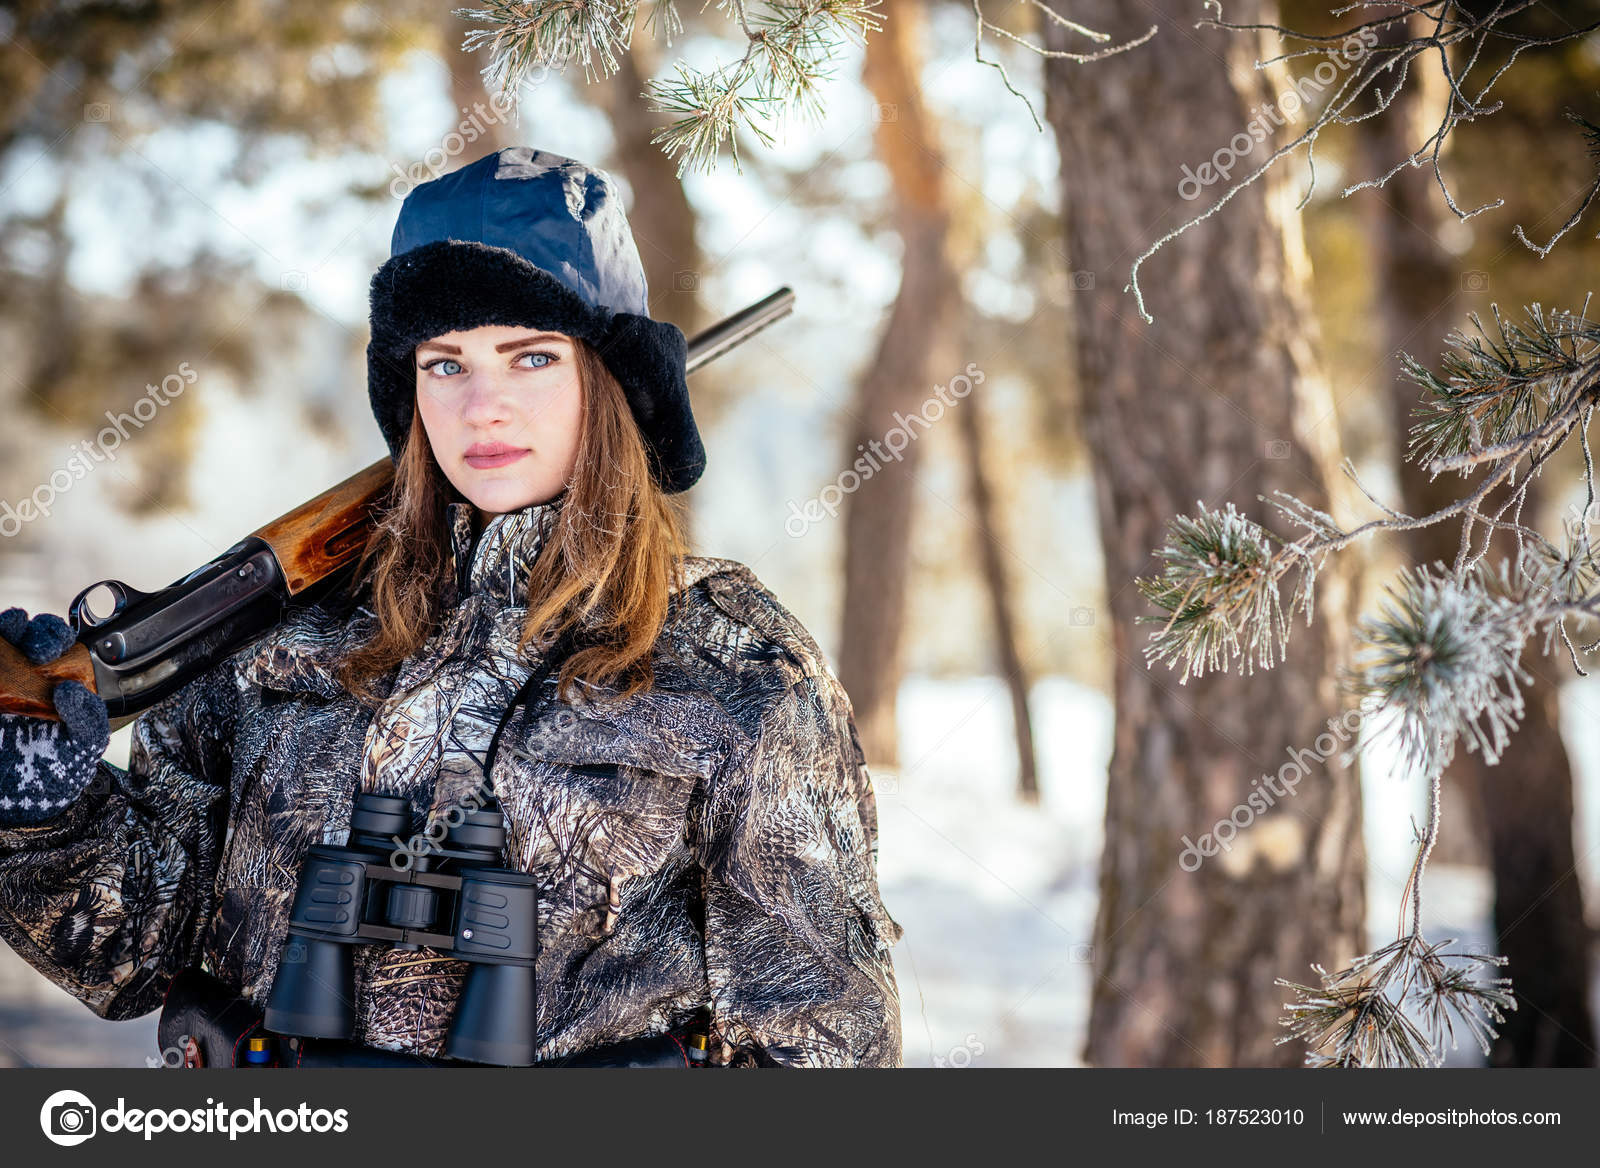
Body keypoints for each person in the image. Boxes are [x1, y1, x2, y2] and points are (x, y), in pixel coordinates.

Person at [0, 146, 904, 1068]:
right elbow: (132, 948)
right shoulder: (276, 638)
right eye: (445, 364)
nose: (484, 408)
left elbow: (826, 1046)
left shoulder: (738, 673)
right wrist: (44, 817)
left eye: (533, 357)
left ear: (613, 383)